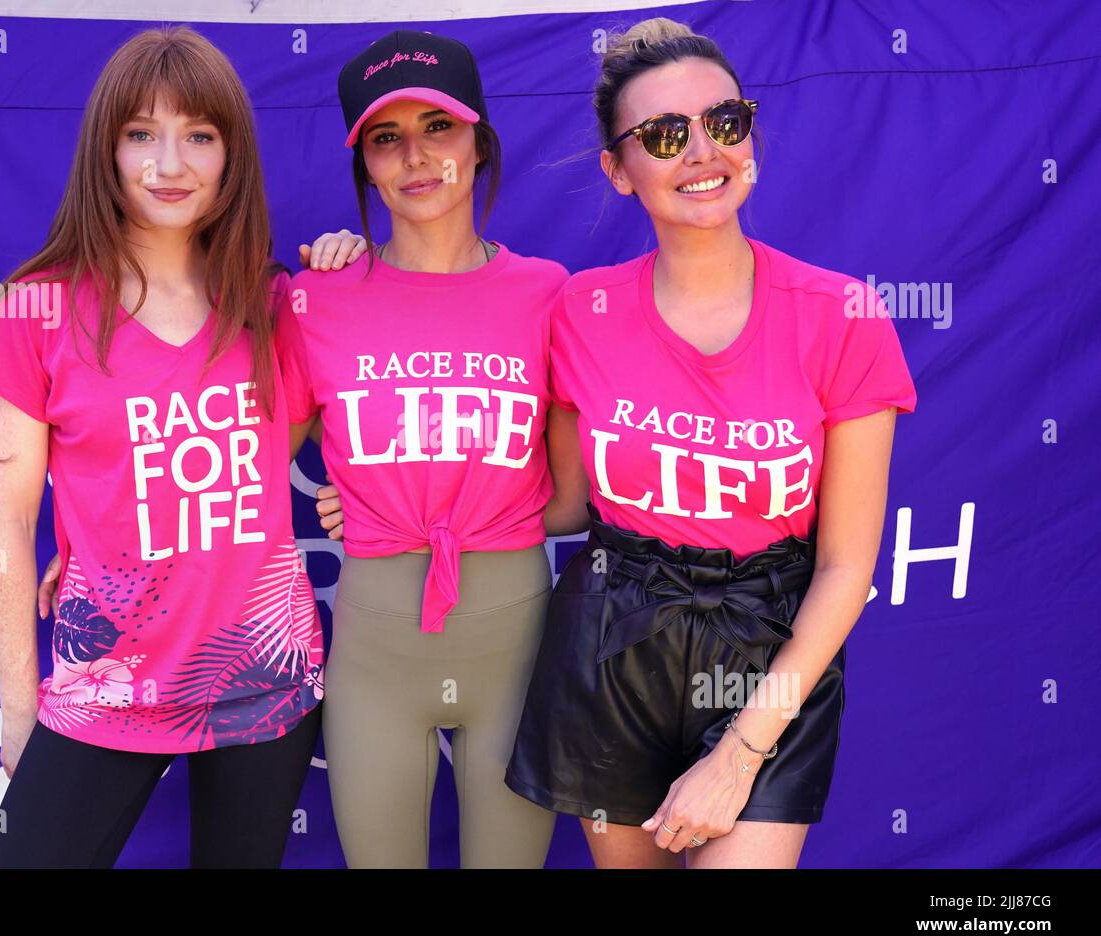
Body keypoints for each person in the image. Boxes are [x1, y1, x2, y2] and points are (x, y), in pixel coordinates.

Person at [503, 17, 918, 868]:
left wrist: (741, 752)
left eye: (723, 122)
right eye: (663, 134)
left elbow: (845, 567)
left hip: (769, 647)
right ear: (619, 170)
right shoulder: (579, 311)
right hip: (613, 641)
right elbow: (564, 501)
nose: (701, 151)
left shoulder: (843, 314)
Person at [0, 25, 340, 868]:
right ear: (106, 148)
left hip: (262, 679)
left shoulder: (278, 305)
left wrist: (345, 275)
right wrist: (19, 709)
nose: (168, 164)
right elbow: (4, 526)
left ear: (230, 154)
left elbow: (344, 436)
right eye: (141, 133)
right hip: (103, 684)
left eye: (198, 136)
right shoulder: (34, 310)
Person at [272, 29, 587, 868]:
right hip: (377, 649)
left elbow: (572, 499)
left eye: (437, 128)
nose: (415, 156)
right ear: (365, 165)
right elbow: (243, 468)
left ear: (479, 140)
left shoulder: (548, 294)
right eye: (386, 138)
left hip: (513, 639)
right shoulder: (319, 300)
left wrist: (438, 490)